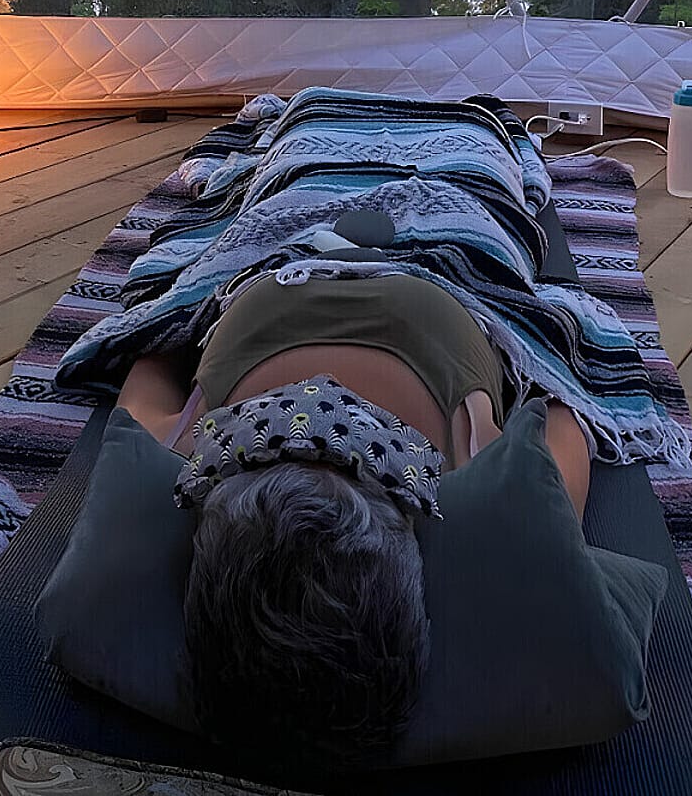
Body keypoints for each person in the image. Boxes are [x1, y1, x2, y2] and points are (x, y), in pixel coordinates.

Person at [116, 216, 592, 771]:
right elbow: (151, 360)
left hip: (436, 282)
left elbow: (565, 415)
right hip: (287, 278)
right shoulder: (184, 450)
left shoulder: (478, 472)